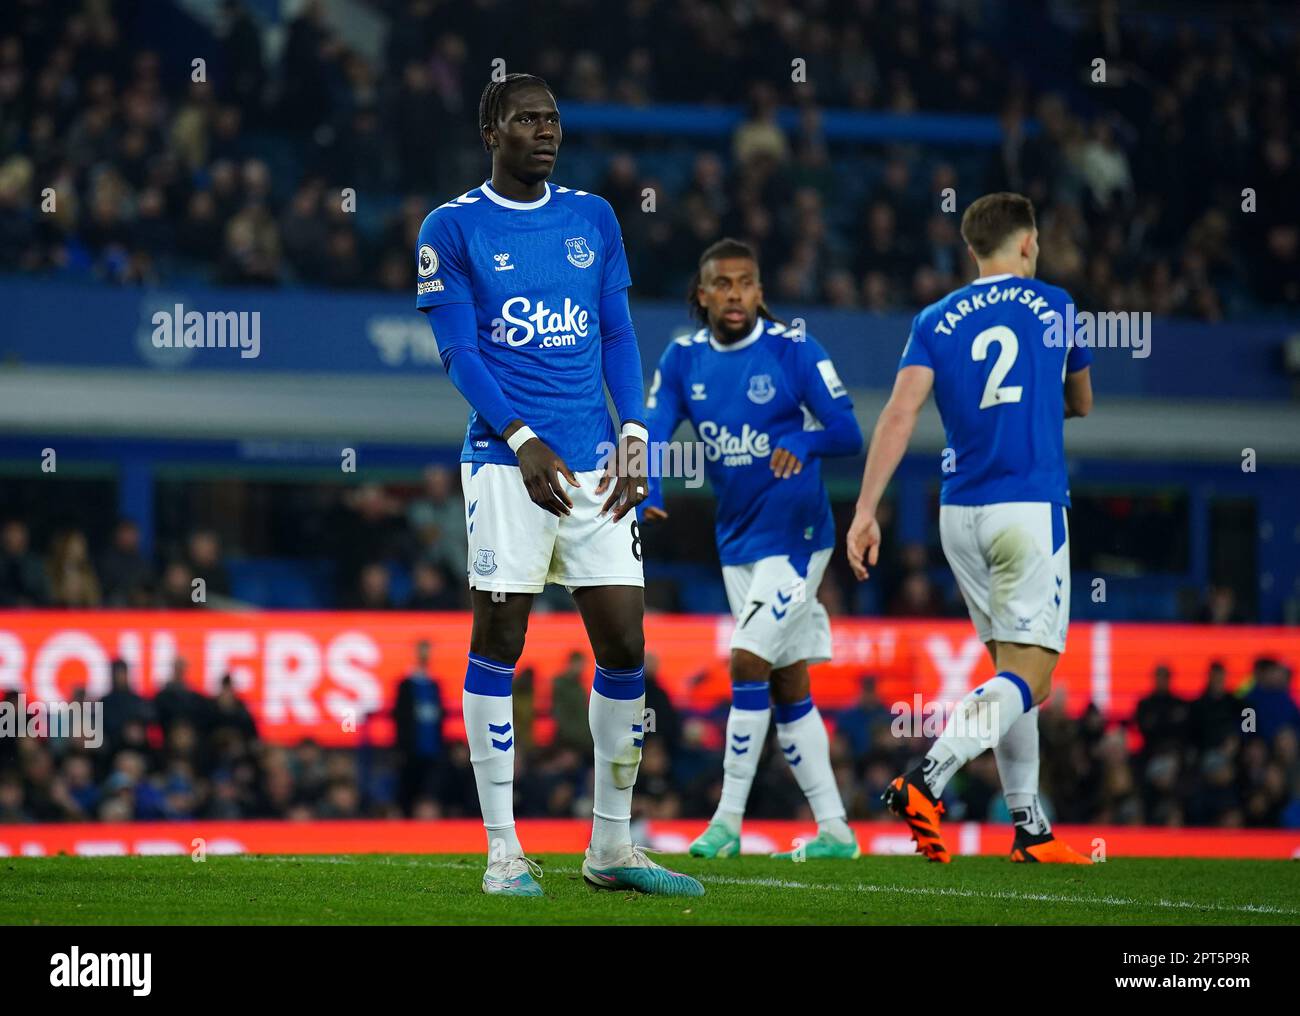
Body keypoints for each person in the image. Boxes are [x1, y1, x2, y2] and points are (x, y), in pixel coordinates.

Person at [413, 73, 702, 898]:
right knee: (500, 641)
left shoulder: (594, 216)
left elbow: (615, 330)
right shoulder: (452, 227)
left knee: (625, 645)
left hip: (598, 466)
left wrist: (637, 434)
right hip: (508, 465)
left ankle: (611, 850)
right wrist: (522, 438)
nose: (546, 131)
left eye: (554, 120)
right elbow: (461, 355)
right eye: (528, 119)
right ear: (490, 130)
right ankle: (504, 852)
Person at [847, 192, 1094, 864]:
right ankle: (926, 777)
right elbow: (1082, 401)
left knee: (1009, 674)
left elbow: (899, 414)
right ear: (1027, 242)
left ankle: (1029, 828)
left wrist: (866, 510)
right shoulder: (1056, 304)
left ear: (973, 249)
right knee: (1033, 678)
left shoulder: (934, 317)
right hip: (1028, 507)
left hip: (959, 514)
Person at [644, 237, 863, 860]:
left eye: (747, 283)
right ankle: (837, 832)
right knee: (788, 684)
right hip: (737, 540)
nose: (736, 294)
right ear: (703, 293)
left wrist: (806, 442)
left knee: (745, 661)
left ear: (760, 292)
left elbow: (847, 430)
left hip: (798, 538)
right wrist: (650, 483)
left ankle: (727, 822)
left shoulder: (794, 350)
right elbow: (654, 425)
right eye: (723, 283)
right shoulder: (684, 358)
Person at [393, 640, 445, 816]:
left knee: (430, 791)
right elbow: (400, 719)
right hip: (411, 751)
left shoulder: (435, 685)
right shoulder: (405, 686)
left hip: (432, 751)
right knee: (409, 790)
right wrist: (401, 749)